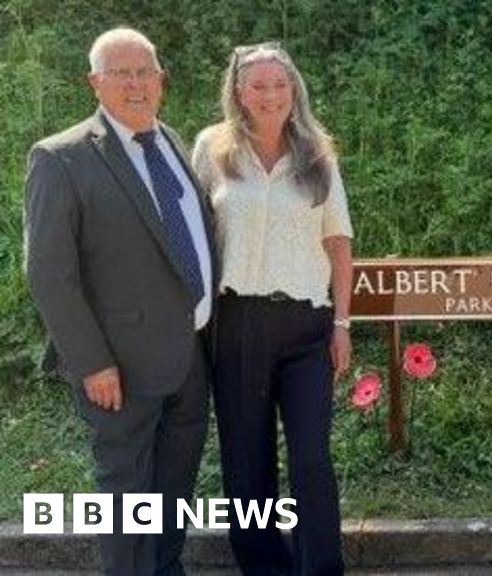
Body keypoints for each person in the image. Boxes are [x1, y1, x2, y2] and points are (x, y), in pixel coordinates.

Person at [24, 27, 214, 575]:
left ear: (162, 80)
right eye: (121, 73)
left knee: (172, 498)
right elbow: (49, 275)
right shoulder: (60, 159)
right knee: (128, 506)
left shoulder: (173, 142)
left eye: (145, 72)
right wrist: (91, 362)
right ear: (94, 82)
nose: (136, 85)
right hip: (118, 370)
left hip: (188, 359)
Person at [191, 42, 353, 575]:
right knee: (246, 461)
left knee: (310, 459)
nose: (271, 95)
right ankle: (265, 567)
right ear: (239, 91)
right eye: (258, 86)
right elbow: (193, 237)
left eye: (280, 85)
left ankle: (319, 568)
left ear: (294, 90)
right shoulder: (211, 150)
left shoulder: (318, 155)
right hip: (235, 323)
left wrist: (342, 325)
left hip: (306, 325)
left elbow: (339, 244)